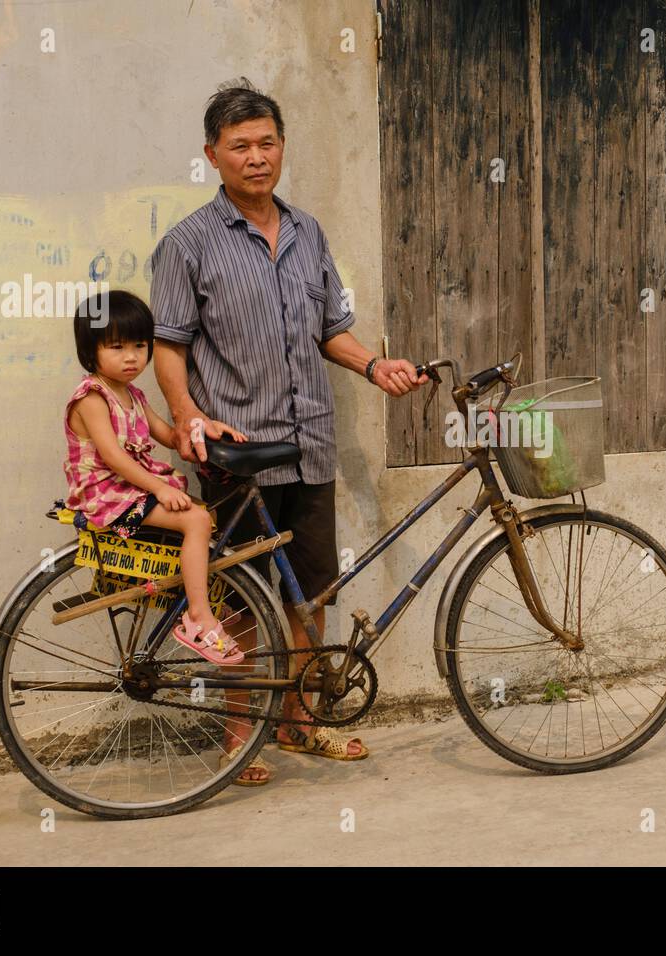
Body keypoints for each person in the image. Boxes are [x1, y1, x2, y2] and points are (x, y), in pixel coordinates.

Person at [151, 78, 426, 785]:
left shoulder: (308, 233)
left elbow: (332, 329)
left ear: (282, 148)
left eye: (267, 142)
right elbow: (170, 345)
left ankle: (300, 723)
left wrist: (375, 366)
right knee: (242, 601)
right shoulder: (187, 244)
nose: (255, 157)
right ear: (212, 154)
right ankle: (240, 735)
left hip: (310, 444)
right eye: (239, 146)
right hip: (237, 455)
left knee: (312, 593)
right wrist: (185, 416)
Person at [62, 289, 248, 665]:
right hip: (107, 492)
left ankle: (200, 599)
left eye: (139, 345)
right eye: (116, 346)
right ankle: (198, 617)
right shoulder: (92, 398)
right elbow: (113, 458)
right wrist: (160, 488)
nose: (131, 356)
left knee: (203, 516)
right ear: (91, 350)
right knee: (195, 520)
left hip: (132, 486)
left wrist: (205, 428)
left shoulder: (133, 394)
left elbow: (168, 434)